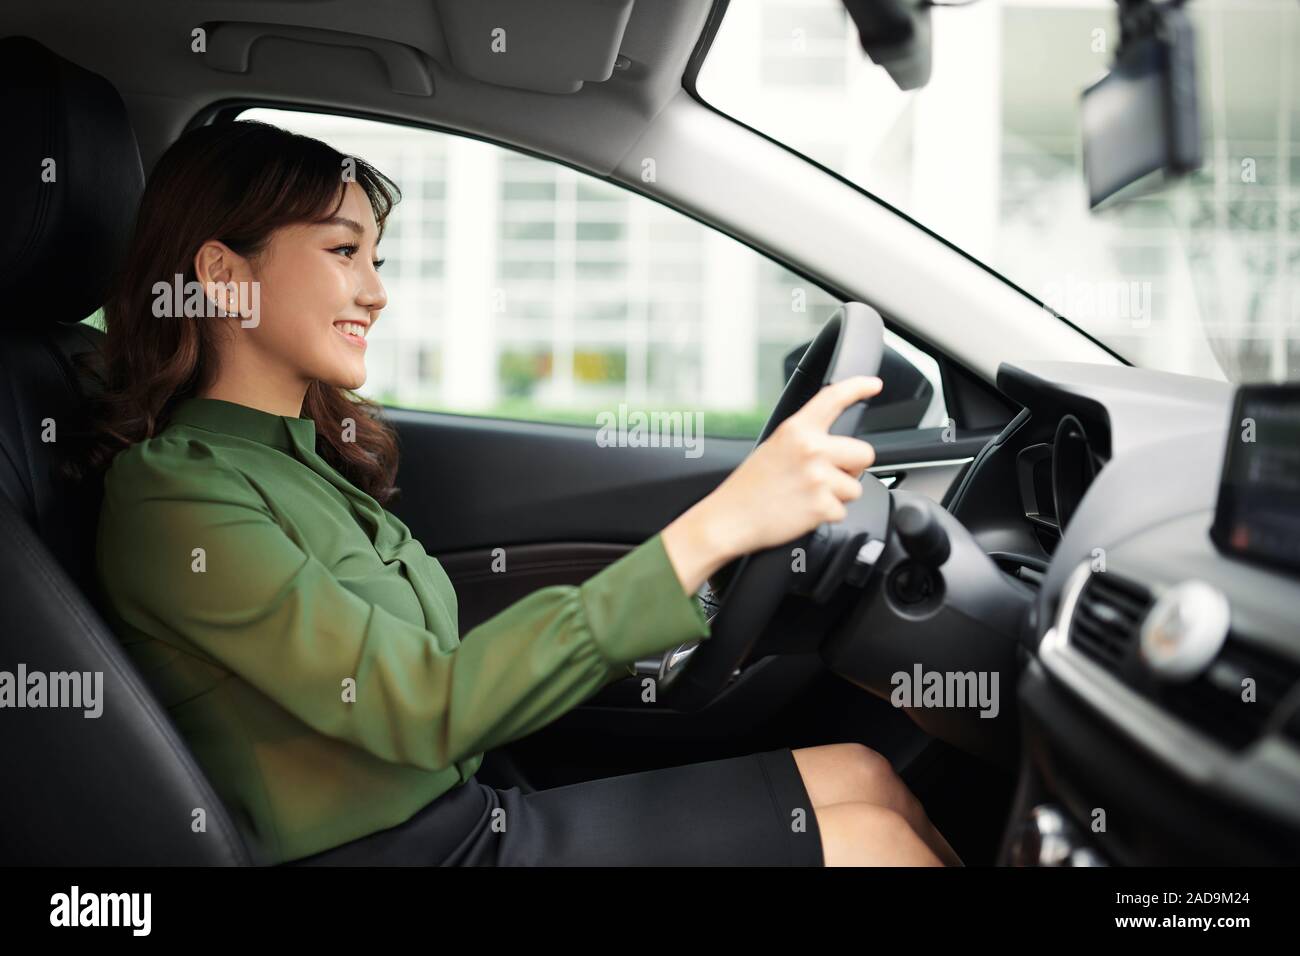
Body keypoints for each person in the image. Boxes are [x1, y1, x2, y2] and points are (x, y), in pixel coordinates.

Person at [83, 120, 962, 867]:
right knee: (868, 848)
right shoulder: (175, 498)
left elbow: (456, 667)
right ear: (224, 272)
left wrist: (702, 585)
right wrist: (717, 528)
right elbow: (425, 706)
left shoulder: (308, 463)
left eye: (375, 258)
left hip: (473, 813)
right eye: (343, 251)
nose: (377, 292)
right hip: (411, 855)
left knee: (866, 778)